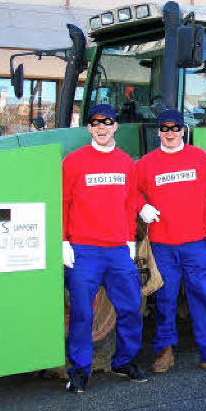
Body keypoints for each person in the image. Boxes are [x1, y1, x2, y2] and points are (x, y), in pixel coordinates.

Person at [136, 109, 206, 374]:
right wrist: (140, 205)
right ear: (158, 132)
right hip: (162, 245)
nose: (170, 134)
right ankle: (165, 351)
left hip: (196, 244)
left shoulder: (199, 158)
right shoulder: (145, 164)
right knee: (165, 299)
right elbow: (128, 190)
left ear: (183, 131)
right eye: (165, 129)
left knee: (202, 297)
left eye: (175, 129)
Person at [61, 103, 145, 393]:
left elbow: (131, 201)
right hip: (84, 250)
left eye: (106, 122)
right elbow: (63, 202)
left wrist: (130, 239)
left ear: (115, 127)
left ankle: (124, 361)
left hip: (117, 249)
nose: (101, 128)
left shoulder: (125, 163)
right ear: (89, 128)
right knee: (83, 312)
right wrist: (63, 241)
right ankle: (80, 370)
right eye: (95, 123)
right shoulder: (73, 162)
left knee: (131, 306)